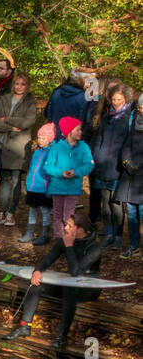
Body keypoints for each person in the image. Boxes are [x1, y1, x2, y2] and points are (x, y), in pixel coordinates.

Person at [1, 215, 103, 349]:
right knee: (36, 284)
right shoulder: (65, 241)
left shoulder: (94, 247)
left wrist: (70, 246)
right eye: (66, 224)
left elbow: (75, 271)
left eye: (70, 226)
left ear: (80, 230)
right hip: (71, 282)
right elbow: (47, 260)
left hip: (89, 287)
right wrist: (37, 270)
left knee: (69, 289)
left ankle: (62, 337)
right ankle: (24, 326)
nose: (65, 228)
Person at [0, 72, 39, 226]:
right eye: (17, 83)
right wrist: (9, 127)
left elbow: (28, 122)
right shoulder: (4, 99)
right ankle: (2, 211)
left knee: (16, 181)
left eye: (23, 84)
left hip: (20, 147)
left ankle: (11, 213)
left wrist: (8, 119)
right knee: (3, 180)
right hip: (3, 144)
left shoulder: (29, 102)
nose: (19, 87)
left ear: (27, 86)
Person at [86, 85, 132, 248]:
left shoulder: (128, 118)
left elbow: (129, 143)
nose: (116, 103)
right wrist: (95, 156)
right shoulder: (106, 117)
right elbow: (99, 139)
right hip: (102, 165)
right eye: (113, 99)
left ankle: (118, 236)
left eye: (119, 99)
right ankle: (109, 233)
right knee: (105, 203)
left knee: (116, 203)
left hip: (118, 167)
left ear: (125, 99)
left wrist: (124, 161)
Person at [43, 116, 94, 244]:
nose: (80, 132)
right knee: (57, 213)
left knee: (68, 215)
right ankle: (59, 240)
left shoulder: (83, 147)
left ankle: (68, 239)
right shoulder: (56, 148)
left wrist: (76, 172)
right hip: (57, 186)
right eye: (77, 130)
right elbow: (48, 167)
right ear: (69, 132)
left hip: (73, 187)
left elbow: (89, 165)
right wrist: (61, 173)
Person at [114, 94, 143, 259]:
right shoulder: (134, 124)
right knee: (132, 214)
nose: (141, 110)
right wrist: (126, 162)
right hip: (131, 177)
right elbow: (126, 145)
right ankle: (134, 245)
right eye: (140, 107)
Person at [21, 122, 57, 244]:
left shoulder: (51, 152)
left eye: (43, 138)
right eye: (39, 138)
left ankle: (44, 234)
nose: (40, 140)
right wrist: (28, 184)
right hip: (33, 187)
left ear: (50, 139)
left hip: (44, 188)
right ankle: (30, 232)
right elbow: (32, 169)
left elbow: (51, 172)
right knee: (32, 210)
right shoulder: (36, 152)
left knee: (45, 211)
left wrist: (50, 189)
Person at [45, 70, 91, 138]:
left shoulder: (56, 92)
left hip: (54, 135)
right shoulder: (83, 97)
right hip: (71, 138)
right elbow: (83, 121)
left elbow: (48, 114)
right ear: (82, 79)